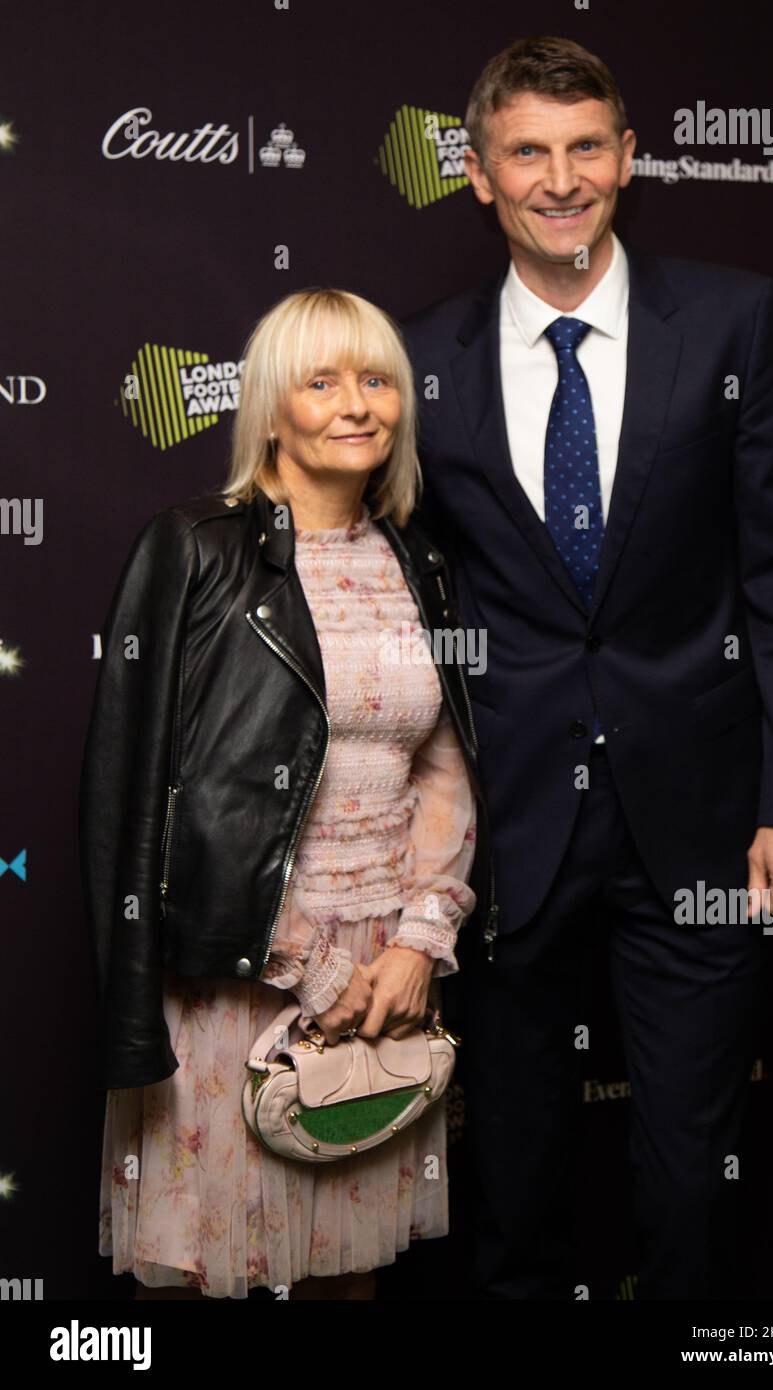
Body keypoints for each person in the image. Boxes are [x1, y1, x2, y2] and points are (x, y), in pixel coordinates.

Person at [400, 35, 773, 1299]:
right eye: (526, 152)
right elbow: (401, 602)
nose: (560, 177)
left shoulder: (730, 316)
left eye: (584, 145)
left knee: (689, 1180)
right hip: (506, 833)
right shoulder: (416, 357)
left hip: (702, 826)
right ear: (477, 175)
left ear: (628, 157)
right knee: (513, 1184)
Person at [79, 288, 491, 1299]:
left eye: (376, 381)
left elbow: (443, 760)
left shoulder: (418, 559)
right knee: (210, 1272)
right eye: (321, 382)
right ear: (270, 406)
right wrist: (300, 961)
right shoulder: (195, 548)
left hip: (386, 975)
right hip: (237, 971)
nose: (357, 405)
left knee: (346, 1271)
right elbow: (152, 792)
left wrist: (418, 933)